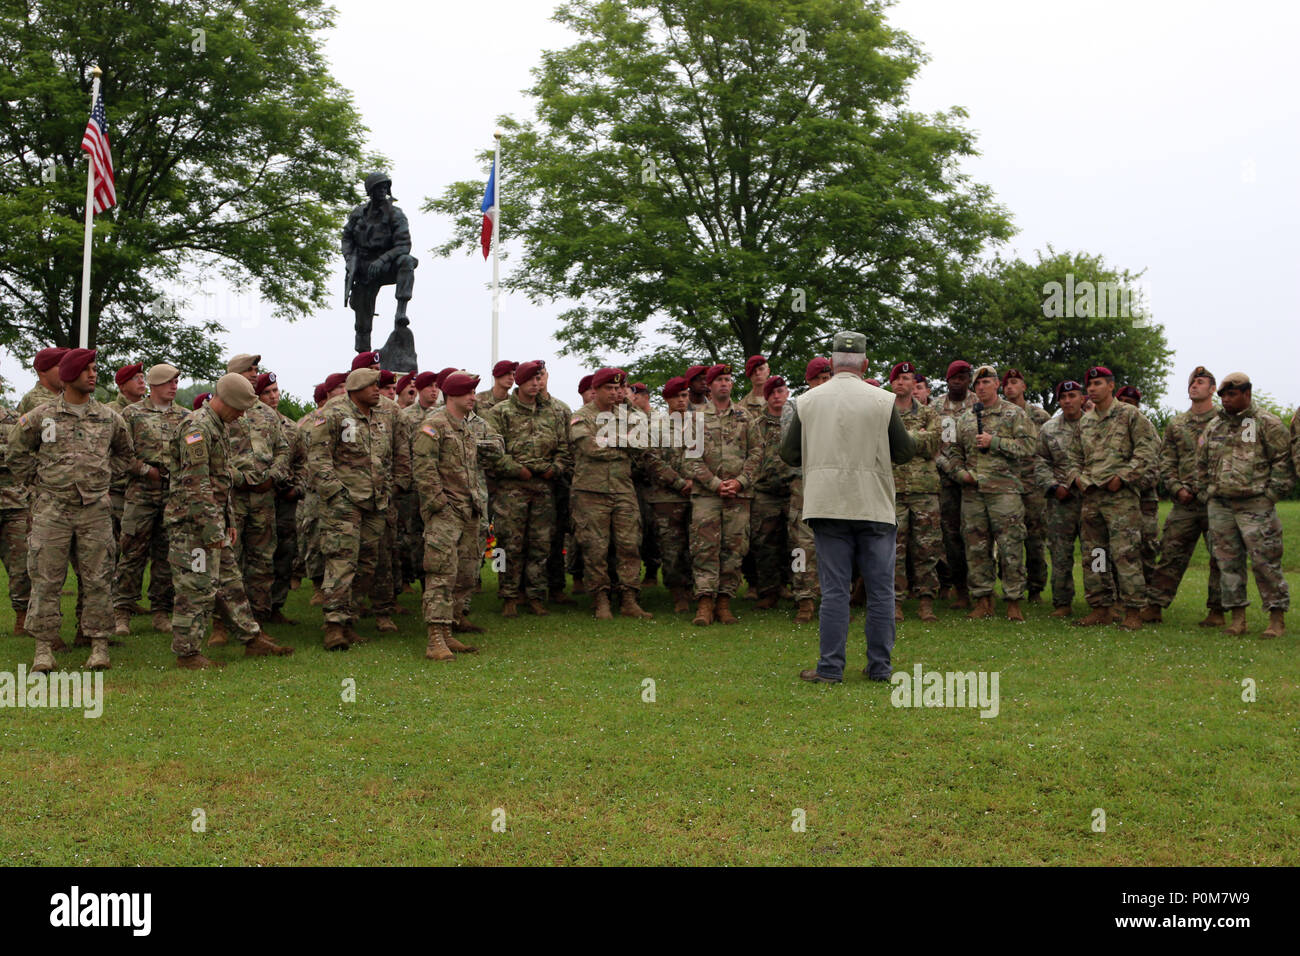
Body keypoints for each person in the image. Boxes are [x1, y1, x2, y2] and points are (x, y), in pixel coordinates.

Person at [781, 332, 916, 683]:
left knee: (835, 590)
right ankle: (880, 668)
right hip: (873, 504)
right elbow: (904, 452)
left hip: (827, 504)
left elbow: (789, 453)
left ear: (831, 361)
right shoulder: (883, 400)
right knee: (881, 590)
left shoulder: (807, 401)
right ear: (865, 365)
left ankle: (829, 668)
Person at [6, 349, 133, 672]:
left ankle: (98, 644)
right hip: (53, 509)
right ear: (69, 375)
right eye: (86, 369)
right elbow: (17, 453)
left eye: (94, 369)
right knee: (46, 578)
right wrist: (41, 483)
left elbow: (124, 454)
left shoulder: (108, 418)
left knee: (98, 577)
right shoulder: (41, 416)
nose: (93, 375)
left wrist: (102, 478)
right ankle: (44, 649)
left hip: (94, 509)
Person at [166, 374, 294, 668]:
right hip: (193, 526)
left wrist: (228, 521)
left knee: (231, 583)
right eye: (239, 407)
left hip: (213, 521)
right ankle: (187, 653)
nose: (242, 415)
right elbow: (196, 485)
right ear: (225, 401)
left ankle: (251, 639)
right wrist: (212, 529)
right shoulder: (197, 428)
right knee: (195, 588)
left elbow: (220, 480)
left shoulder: (218, 425)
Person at [570, 367, 674, 620]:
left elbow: (644, 441)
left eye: (619, 388)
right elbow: (590, 447)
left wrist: (612, 439)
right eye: (610, 388)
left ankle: (629, 598)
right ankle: (601, 599)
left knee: (629, 545)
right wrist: (625, 443)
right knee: (596, 548)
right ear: (596, 390)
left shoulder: (628, 414)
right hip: (590, 492)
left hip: (622, 489)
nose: (616, 393)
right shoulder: (582, 415)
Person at [308, 367, 401, 649]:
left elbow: (387, 457)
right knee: (341, 562)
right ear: (357, 388)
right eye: (372, 385)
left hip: (374, 502)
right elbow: (318, 457)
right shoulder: (334, 413)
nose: (378, 390)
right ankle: (333, 626)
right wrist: (336, 492)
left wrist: (388, 488)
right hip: (343, 504)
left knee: (366, 564)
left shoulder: (380, 417)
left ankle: (350, 619)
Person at [1197, 372, 1293, 637]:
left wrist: (1271, 494)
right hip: (1221, 504)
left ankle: (1276, 620)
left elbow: (1283, 460)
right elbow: (1201, 462)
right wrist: (1208, 493)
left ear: (1247, 393)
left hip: (1256, 504)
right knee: (1227, 563)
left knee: (1265, 561)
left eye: (1232, 394)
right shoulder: (1214, 426)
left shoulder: (1266, 423)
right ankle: (1238, 619)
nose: (1226, 400)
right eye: (1223, 395)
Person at [939, 365, 1036, 621]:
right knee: (976, 548)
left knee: (1010, 548)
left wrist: (995, 442)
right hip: (973, 492)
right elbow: (954, 452)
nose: (981, 387)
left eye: (986, 382)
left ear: (997, 385)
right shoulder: (966, 418)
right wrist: (961, 474)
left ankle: (1014, 600)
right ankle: (983, 599)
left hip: (1004, 492)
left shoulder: (1014, 413)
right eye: (977, 384)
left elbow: (1028, 447)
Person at [1067, 366, 1160, 630]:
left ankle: (1133, 611)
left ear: (1111, 385)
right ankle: (1100, 607)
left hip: (1120, 498)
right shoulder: (1085, 421)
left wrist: (1125, 476)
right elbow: (1073, 456)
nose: (1092, 389)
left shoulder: (1130, 415)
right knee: (1094, 554)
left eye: (1098, 383)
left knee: (1125, 554)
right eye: (1090, 385)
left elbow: (1148, 449)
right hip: (1092, 496)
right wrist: (1077, 478)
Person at [411, 371, 493, 659]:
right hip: (445, 514)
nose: (473, 397)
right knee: (441, 573)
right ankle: (435, 637)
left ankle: (449, 630)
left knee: (465, 574)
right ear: (453, 396)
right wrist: (439, 505)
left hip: (469, 511)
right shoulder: (433, 426)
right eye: (468, 393)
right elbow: (423, 469)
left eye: (474, 392)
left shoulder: (465, 428)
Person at [485, 360, 571, 617]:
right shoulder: (500, 412)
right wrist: (516, 469)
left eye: (539, 378)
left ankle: (535, 595)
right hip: (512, 489)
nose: (536, 384)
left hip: (544, 487)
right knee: (506, 545)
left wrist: (554, 468)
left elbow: (565, 449)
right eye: (531, 379)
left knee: (540, 545)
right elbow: (492, 451)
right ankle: (509, 596)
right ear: (520, 382)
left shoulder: (553, 412)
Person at [684, 363, 761, 626]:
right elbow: (690, 458)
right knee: (704, 548)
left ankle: (724, 603)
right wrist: (715, 483)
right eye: (719, 380)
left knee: (734, 549)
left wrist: (740, 482)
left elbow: (757, 454)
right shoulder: (695, 417)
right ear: (710, 385)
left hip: (739, 496)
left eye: (728, 379)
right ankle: (704, 603)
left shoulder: (745, 416)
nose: (724, 384)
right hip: (707, 496)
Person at [113, 363, 187, 636]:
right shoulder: (131, 414)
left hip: (173, 493)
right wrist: (146, 470)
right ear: (155, 384)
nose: (174, 385)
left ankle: (161, 611)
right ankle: (122, 611)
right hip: (141, 492)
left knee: (167, 554)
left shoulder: (185, 417)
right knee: (132, 552)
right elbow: (119, 453)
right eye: (168, 381)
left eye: (176, 381)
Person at [1147, 367, 1223, 625]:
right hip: (1185, 501)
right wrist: (1176, 488)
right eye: (1192, 382)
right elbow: (1166, 461)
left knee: (1221, 557)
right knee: (1170, 552)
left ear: (1212, 389)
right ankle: (1155, 605)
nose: (1194, 385)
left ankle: (1217, 611)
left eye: (1200, 382)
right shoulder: (1177, 424)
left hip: (1217, 501)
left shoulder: (1224, 421)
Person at [223, 353, 290, 634]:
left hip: (264, 499)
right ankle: (223, 623)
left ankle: (258, 619)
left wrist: (273, 476)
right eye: (248, 370)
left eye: (256, 370)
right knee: (229, 560)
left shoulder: (266, 413)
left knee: (262, 560)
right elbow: (214, 455)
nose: (254, 374)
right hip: (233, 499)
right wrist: (239, 479)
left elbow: (284, 449)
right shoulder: (221, 410)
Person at [889, 361, 942, 622]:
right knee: (894, 549)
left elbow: (935, 442)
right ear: (891, 383)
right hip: (892, 489)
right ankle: (895, 601)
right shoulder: (884, 412)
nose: (902, 382)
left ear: (914, 383)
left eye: (907, 378)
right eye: (897, 378)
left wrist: (903, 440)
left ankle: (926, 601)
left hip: (925, 490)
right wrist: (916, 438)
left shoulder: (929, 413)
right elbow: (880, 444)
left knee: (927, 548)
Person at [257, 372, 308, 625]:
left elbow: (302, 463)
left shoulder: (290, 427)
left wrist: (296, 488)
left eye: (275, 391)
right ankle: (253, 608)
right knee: (257, 555)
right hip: (257, 500)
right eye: (267, 392)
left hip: (285, 500)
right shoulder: (247, 423)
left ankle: (276, 605)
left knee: (285, 552)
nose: (273, 397)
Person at [643, 377, 696, 613]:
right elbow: (651, 460)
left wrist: (698, 481)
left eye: (685, 396)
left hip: (697, 495)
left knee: (696, 546)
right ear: (667, 399)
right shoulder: (656, 426)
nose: (682, 401)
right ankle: (677, 593)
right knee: (671, 548)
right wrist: (678, 482)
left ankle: (695, 589)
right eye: (677, 396)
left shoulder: (699, 424)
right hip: (666, 497)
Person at [1034, 380, 1086, 617]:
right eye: (1063, 398)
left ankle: (1103, 599)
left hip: (1091, 500)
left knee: (1098, 552)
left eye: (1072, 396)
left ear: (1082, 398)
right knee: (1060, 553)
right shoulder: (1049, 429)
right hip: (1060, 502)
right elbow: (1040, 461)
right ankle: (1062, 602)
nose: (1067, 401)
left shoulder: (1095, 425)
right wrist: (1053, 486)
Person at [1001, 369, 1050, 602]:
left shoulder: (1040, 416)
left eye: (1014, 382)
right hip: (1007, 483)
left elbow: (1050, 449)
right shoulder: (999, 414)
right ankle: (1010, 586)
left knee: (1034, 538)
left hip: (1033, 485)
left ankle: (1036, 587)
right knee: (1008, 538)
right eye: (1006, 384)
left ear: (1024, 386)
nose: (1010, 387)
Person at [935, 360, 976, 606]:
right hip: (947, 481)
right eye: (954, 377)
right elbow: (933, 444)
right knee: (951, 537)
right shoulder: (936, 406)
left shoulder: (978, 403)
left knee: (976, 535)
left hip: (974, 480)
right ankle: (959, 587)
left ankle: (981, 588)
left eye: (963, 377)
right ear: (947, 380)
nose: (959, 381)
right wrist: (951, 468)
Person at [0, 392, 30, 636]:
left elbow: (24, 454)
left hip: (14, 504)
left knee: (21, 564)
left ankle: (23, 618)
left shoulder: (13, 419)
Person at [17, 347, 68, 413]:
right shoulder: (36, 400)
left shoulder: (66, 396)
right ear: (43, 371)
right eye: (60, 366)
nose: (66, 371)